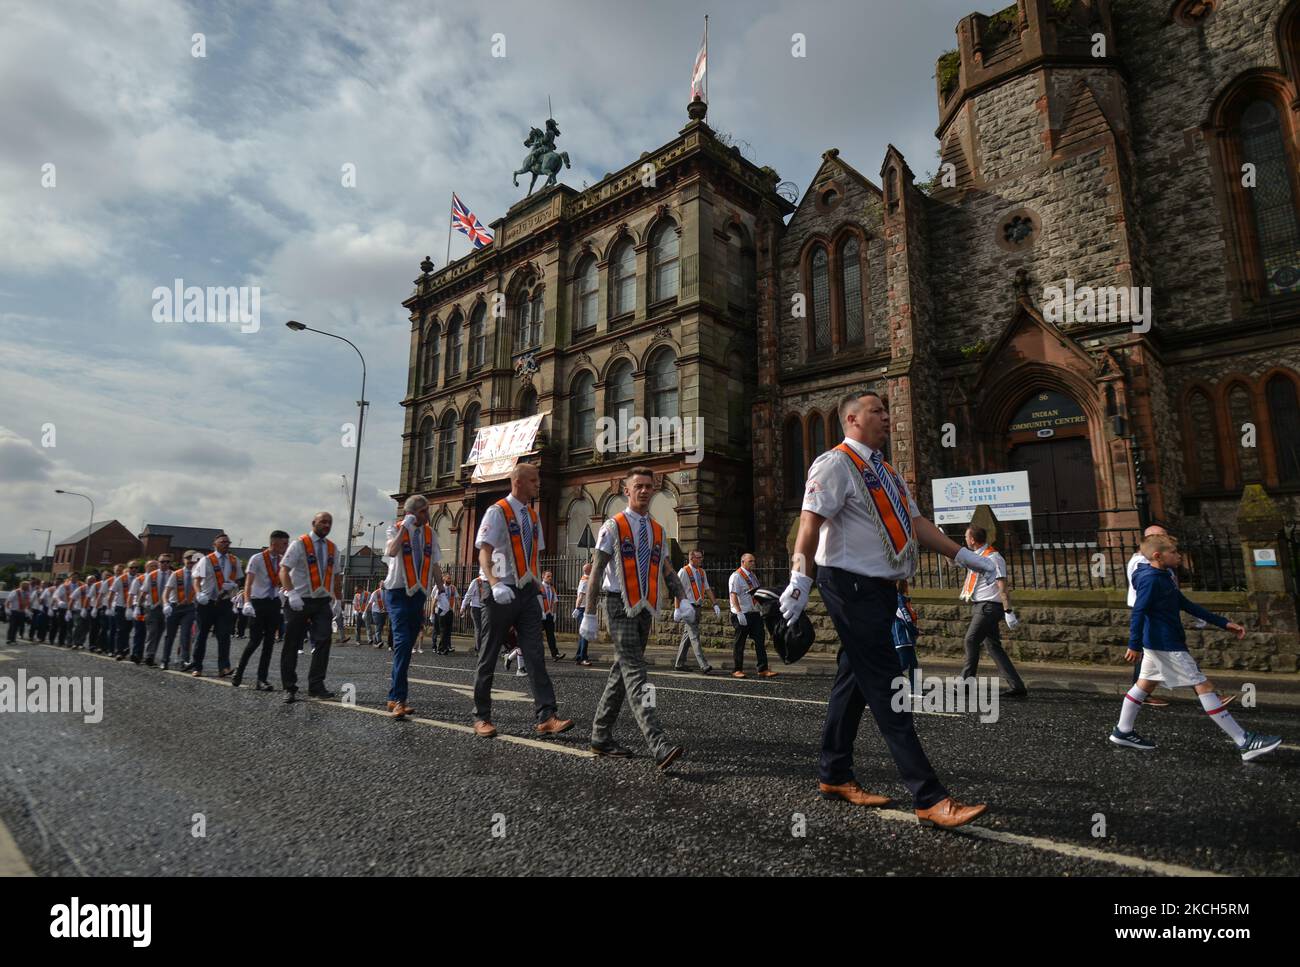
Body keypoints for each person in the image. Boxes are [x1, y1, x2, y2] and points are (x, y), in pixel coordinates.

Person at [778, 389, 995, 828]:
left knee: (853, 680)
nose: (887, 416)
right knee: (885, 684)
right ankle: (929, 797)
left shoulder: (888, 473)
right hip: (847, 584)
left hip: (880, 588)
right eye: (877, 410)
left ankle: (834, 774)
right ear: (852, 420)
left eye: (886, 409)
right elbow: (809, 524)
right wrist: (800, 579)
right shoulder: (835, 463)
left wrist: (963, 556)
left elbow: (916, 525)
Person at [1110, 533, 1280, 760]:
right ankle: (1244, 741)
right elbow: (1139, 611)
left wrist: (1223, 623)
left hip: (1158, 642)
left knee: (1144, 684)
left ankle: (1123, 731)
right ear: (1159, 556)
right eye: (1174, 552)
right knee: (1204, 686)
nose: (1179, 556)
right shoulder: (1152, 580)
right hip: (1166, 644)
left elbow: (1185, 604)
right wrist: (1134, 645)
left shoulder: (1162, 575)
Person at [580, 467, 689, 770]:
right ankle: (658, 742)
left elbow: (666, 569)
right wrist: (589, 614)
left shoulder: (657, 530)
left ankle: (600, 735)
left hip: (644, 608)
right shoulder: (612, 526)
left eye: (648, 486)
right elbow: (597, 570)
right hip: (617, 605)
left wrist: (683, 598)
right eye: (638, 486)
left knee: (622, 671)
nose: (644, 490)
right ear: (626, 491)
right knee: (636, 673)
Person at [472, 461, 572, 739]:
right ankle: (482, 717)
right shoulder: (496, 512)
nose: (538, 484)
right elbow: (484, 553)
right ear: (518, 482)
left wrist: (538, 586)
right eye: (533, 480)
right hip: (500, 591)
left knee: (535, 654)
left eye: (538, 480)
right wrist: (493, 584)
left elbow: (532, 557)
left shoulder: (533, 516)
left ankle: (546, 716)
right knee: (489, 654)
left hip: (527, 592)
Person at [382, 496, 443, 718]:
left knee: (406, 647)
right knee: (403, 642)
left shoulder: (430, 534)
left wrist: (441, 589)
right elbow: (391, 552)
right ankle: (399, 699)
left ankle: (393, 696)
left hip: (418, 594)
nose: (428, 515)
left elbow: (435, 563)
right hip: (397, 593)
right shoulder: (395, 529)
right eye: (425, 511)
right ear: (413, 513)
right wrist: (404, 527)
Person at [956, 525, 1026, 698]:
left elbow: (1002, 586)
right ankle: (1017, 686)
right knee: (993, 646)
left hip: (989, 607)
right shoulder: (975, 556)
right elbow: (954, 561)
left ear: (972, 539)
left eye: (966, 536)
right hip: (981, 606)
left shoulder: (993, 558)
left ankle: (965, 684)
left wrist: (1008, 610)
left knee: (971, 640)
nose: (965, 539)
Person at [279, 512, 340, 702]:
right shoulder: (299, 544)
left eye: (329, 522)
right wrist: (291, 593)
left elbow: (336, 576)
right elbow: (284, 570)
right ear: (313, 523)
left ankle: (316, 685)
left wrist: (338, 600)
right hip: (299, 599)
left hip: (321, 601)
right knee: (292, 642)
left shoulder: (333, 548)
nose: (326, 525)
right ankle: (289, 687)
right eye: (323, 521)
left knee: (324, 640)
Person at [1123, 524, 1173, 708]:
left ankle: (1138, 695)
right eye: (1162, 536)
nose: (1167, 539)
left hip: (1157, 611)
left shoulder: (1156, 561)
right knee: (1156, 653)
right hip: (1149, 612)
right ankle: (1208, 693)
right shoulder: (1141, 562)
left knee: (1151, 655)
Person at [232, 531, 288, 690]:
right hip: (258, 602)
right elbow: (248, 583)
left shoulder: (282, 560)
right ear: (274, 543)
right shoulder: (256, 559)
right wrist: (247, 602)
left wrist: (284, 591)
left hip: (273, 602)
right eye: (284, 543)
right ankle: (239, 670)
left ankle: (261, 679)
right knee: (254, 640)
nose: (286, 547)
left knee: (269, 642)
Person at [188, 535, 243, 677]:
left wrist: (233, 585)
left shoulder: (234, 560)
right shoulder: (206, 560)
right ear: (215, 544)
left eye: (228, 542)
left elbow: (238, 580)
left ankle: (224, 667)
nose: (226, 544)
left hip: (224, 601)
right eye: (223, 542)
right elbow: (196, 579)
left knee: (224, 635)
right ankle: (197, 666)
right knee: (202, 635)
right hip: (207, 601)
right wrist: (199, 594)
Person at [674, 549, 719, 673]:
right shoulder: (683, 572)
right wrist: (677, 609)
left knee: (687, 636)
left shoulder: (701, 572)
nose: (701, 560)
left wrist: (715, 603)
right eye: (698, 558)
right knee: (694, 636)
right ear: (691, 558)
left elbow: (707, 589)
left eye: (701, 558)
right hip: (688, 608)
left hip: (698, 607)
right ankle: (703, 665)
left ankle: (679, 663)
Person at [729, 553, 773, 679]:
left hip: (754, 613)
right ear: (743, 562)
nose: (753, 563)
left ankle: (762, 669)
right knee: (740, 642)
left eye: (753, 561)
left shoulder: (752, 576)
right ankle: (737, 669)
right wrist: (738, 612)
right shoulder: (736, 576)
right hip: (742, 613)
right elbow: (733, 595)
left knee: (760, 640)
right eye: (750, 561)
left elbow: (755, 594)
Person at [162, 552, 198, 670]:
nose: (190, 561)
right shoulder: (176, 574)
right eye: (188, 558)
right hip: (175, 607)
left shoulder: (198, 575)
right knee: (170, 635)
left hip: (189, 608)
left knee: (186, 634)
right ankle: (165, 660)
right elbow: (166, 593)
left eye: (193, 559)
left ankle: (184, 660)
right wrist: (166, 604)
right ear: (183, 560)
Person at [140, 555, 174, 667]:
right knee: (152, 631)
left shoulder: (173, 574)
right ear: (159, 563)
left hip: (167, 607)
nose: (165, 563)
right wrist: (138, 607)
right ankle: (149, 655)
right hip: (152, 607)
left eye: (167, 562)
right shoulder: (152, 575)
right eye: (162, 561)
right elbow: (144, 592)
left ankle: (154, 655)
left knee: (160, 632)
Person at [571, 562, 594, 666]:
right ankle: (583, 657)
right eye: (592, 567)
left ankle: (578, 656)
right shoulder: (586, 581)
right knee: (585, 634)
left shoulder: (584, 579)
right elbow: (580, 596)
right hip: (583, 609)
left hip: (582, 608)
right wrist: (576, 608)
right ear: (589, 570)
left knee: (582, 634)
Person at [460, 568, 488, 654]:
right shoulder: (476, 581)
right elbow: (468, 595)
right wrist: (463, 607)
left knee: (483, 628)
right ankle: (479, 648)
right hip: (476, 608)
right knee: (479, 628)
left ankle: (482, 648)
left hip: (484, 607)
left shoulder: (486, 581)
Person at [538, 570, 563, 660]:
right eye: (548, 576)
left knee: (551, 636)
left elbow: (555, 601)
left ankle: (555, 654)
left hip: (549, 614)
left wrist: (555, 613)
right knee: (537, 635)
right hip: (540, 615)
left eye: (551, 576)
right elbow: (537, 601)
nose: (550, 578)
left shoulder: (552, 588)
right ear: (543, 577)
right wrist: (540, 612)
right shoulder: (539, 587)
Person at [433, 574, 457, 655]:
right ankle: (441, 648)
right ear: (444, 579)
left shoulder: (453, 588)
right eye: (448, 578)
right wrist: (432, 612)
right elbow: (434, 600)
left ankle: (444, 647)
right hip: (442, 611)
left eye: (450, 578)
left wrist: (460, 608)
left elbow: (457, 598)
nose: (450, 579)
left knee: (448, 630)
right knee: (443, 630)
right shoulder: (440, 588)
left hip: (449, 611)